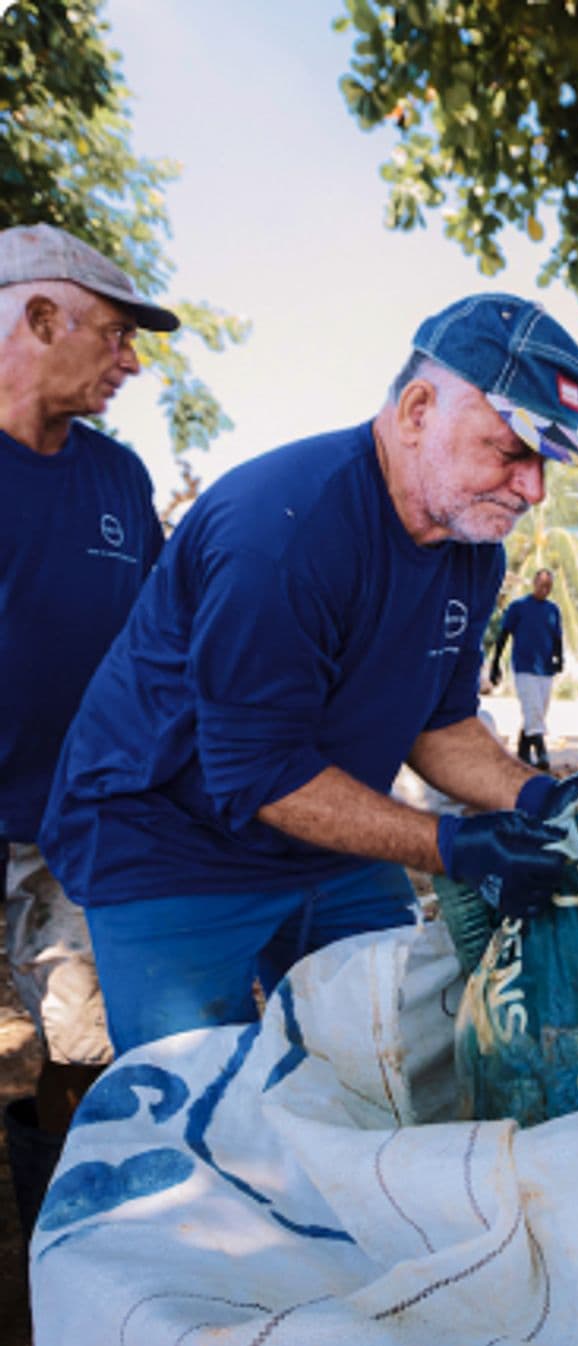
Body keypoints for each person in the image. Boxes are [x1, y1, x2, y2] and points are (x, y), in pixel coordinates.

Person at [41, 293, 578, 1054]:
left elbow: (440, 724)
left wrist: (542, 794)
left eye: (544, 461)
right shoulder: (280, 532)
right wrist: (454, 846)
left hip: (322, 831)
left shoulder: (473, 550)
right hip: (165, 837)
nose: (533, 489)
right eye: (511, 451)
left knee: (398, 1057)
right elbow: (260, 774)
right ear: (418, 408)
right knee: (197, 1099)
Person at [0, 224, 179, 1225]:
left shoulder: (117, 479)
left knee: (83, 1047)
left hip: (70, 829)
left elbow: (162, 644)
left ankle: (68, 1244)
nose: (131, 360)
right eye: (113, 335)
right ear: (37, 317)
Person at [490, 566, 565, 769]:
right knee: (533, 710)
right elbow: (503, 635)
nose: (545, 589)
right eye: (541, 584)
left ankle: (523, 754)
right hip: (524, 667)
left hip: (546, 669)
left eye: (548, 586)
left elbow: (557, 638)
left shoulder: (553, 610)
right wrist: (495, 663)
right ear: (534, 584)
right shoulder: (518, 607)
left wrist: (560, 658)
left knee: (537, 713)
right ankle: (542, 754)